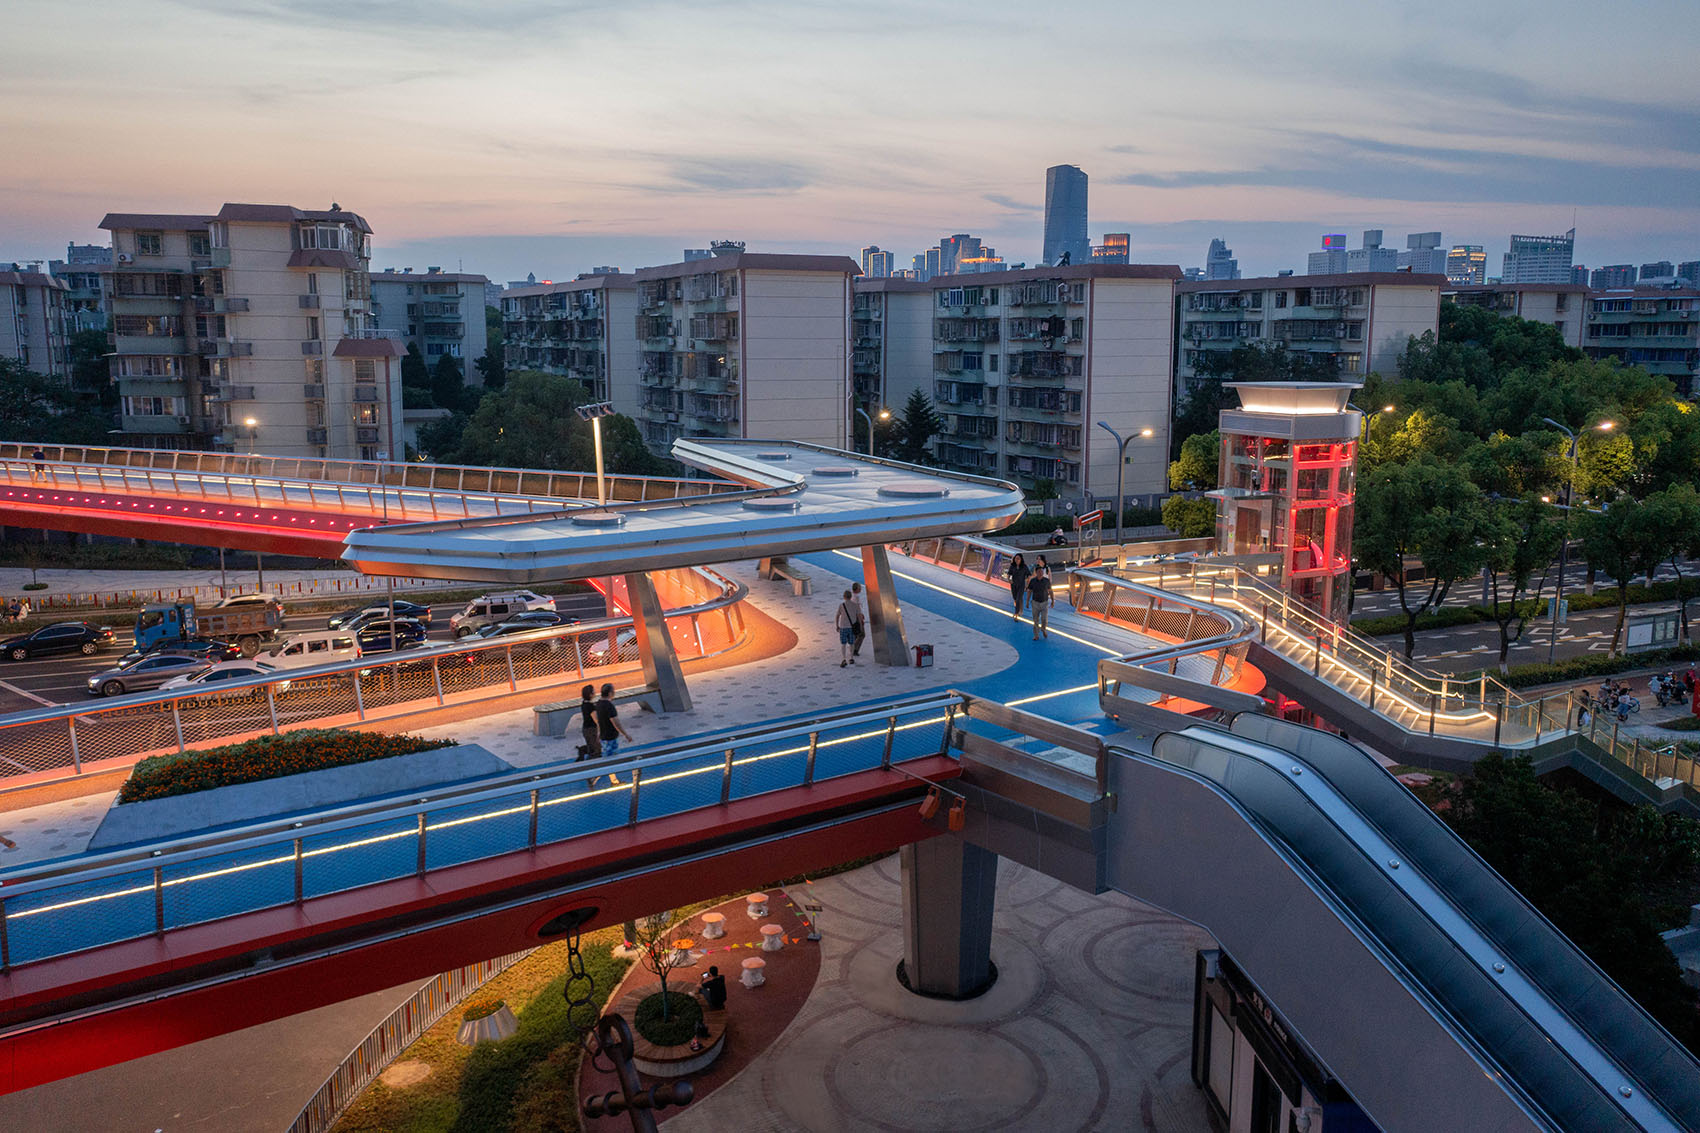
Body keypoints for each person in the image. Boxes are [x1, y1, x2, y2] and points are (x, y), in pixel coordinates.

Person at [591, 682, 631, 786]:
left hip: (604, 736)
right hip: (610, 737)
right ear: (609, 693)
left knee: (609, 758)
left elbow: (599, 720)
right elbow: (616, 722)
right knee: (610, 759)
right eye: (613, 691)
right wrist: (625, 734)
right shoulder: (609, 706)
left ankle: (614, 780)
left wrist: (599, 733)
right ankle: (597, 776)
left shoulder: (598, 704)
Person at [1027, 563, 1053, 640]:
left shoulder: (1046, 581)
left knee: (1044, 619)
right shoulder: (1032, 581)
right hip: (1035, 602)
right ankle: (1036, 635)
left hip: (1044, 602)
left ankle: (1043, 628)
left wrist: (1052, 600)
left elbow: (1050, 591)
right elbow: (1029, 591)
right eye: (1039, 572)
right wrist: (1028, 601)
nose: (1040, 573)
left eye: (1042, 571)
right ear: (1036, 572)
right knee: (1035, 620)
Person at [576, 684, 601, 761]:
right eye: (594, 692)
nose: (595, 693)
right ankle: (591, 761)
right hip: (591, 729)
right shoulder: (590, 706)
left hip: (586, 729)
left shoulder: (584, 703)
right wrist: (600, 730)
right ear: (590, 694)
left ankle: (582, 751)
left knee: (591, 746)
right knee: (596, 750)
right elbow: (596, 720)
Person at [835, 588, 858, 667]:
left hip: (843, 627)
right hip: (852, 627)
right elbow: (858, 616)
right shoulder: (855, 605)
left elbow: (837, 616)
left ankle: (844, 659)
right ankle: (851, 658)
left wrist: (837, 625)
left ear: (844, 597)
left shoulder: (842, 605)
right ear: (851, 596)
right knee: (852, 643)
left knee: (843, 643)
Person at [1006, 554, 1030, 619]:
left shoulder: (1024, 566)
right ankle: (1019, 608)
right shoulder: (1012, 566)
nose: (1017, 560)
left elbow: (1028, 575)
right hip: (1013, 585)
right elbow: (1008, 574)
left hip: (1021, 585)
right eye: (1016, 558)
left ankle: (1016, 613)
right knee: (1015, 598)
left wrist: (1027, 584)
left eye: (1018, 558)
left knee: (1018, 599)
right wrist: (1009, 580)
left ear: (1021, 559)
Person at [850, 581, 867, 658]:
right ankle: (854, 649)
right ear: (857, 589)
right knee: (862, 634)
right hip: (857, 618)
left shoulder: (852, 596)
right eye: (860, 588)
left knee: (857, 634)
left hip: (854, 617)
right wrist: (861, 620)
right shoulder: (856, 598)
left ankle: (853, 647)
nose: (861, 589)